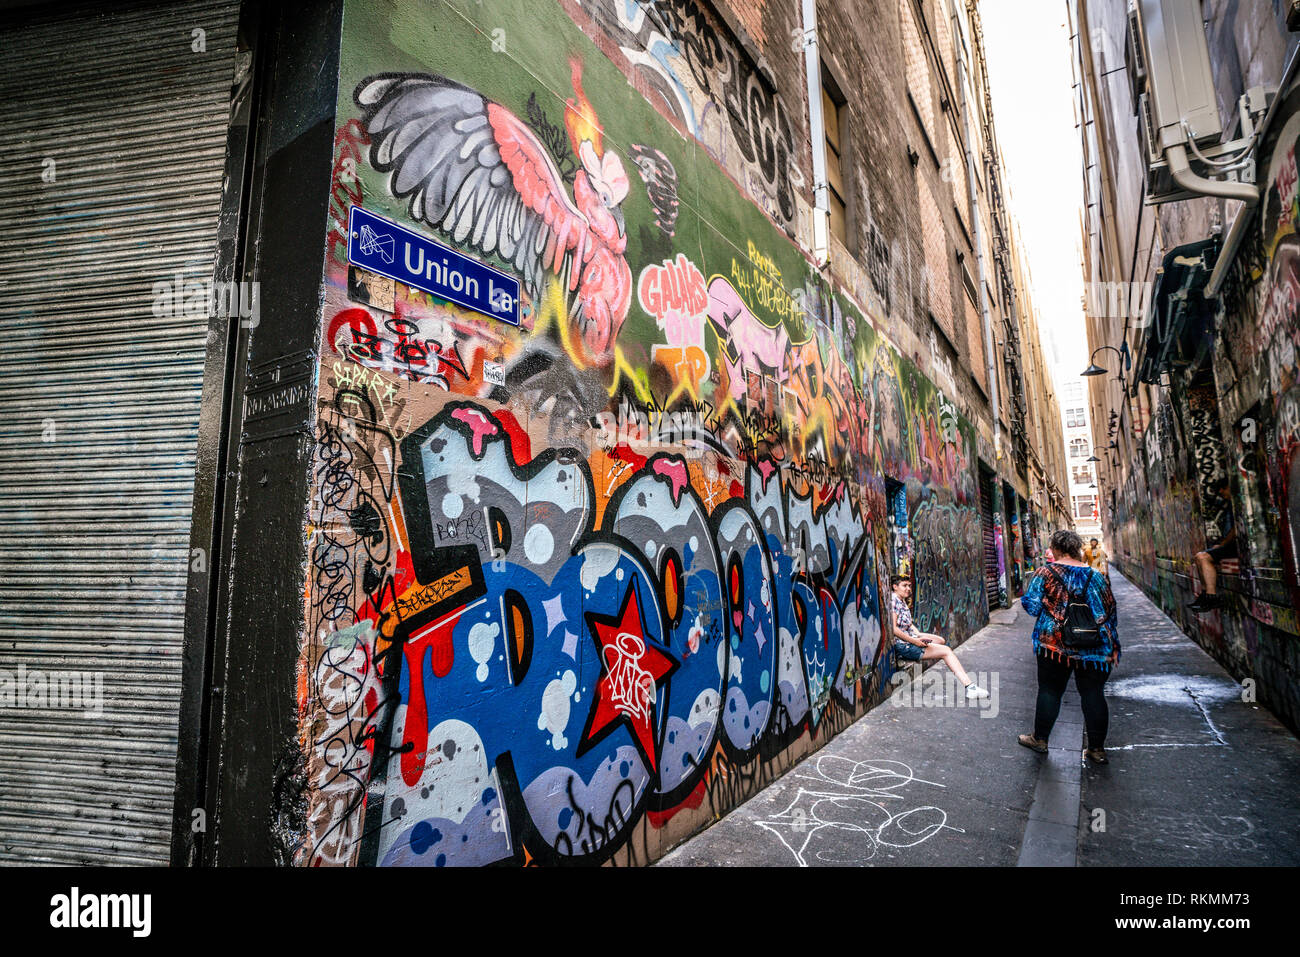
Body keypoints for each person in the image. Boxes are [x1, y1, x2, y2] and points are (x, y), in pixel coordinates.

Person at [1018, 530, 1119, 764]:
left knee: (1050, 690)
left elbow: (1031, 607)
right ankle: (1096, 749)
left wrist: (1047, 602)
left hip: (1054, 644)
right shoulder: (1096, 575)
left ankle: (1040, 739)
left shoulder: (1045, 572)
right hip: (1095, 646)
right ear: (1076, 548)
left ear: (1055, 548)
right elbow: (1110, 611)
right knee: (1093, 693)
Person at [889, 574, 989, 698]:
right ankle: (970, 687)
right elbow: (894, 629)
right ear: (895, 587)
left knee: (940, 640)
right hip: (903, 645)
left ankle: (914, 653)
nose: (908, 588)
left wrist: (918, 635)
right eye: (904, 586)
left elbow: (908, 625)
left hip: (910, 639)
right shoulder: (894, 600)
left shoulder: (901, 601)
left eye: (909, 586)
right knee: (946, 651)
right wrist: (915, 642)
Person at [1189, 477, 1236, 612]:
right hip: (1228, 545)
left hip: (1237, 546)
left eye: (1223, 488)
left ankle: (1211, 596)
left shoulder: (1237, 504)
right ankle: (1204, 595)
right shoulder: (1229, 506)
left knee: (1204, 558)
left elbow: (1236, 530)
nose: (1220, 492)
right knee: (1198, 557)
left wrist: (1222, 544)